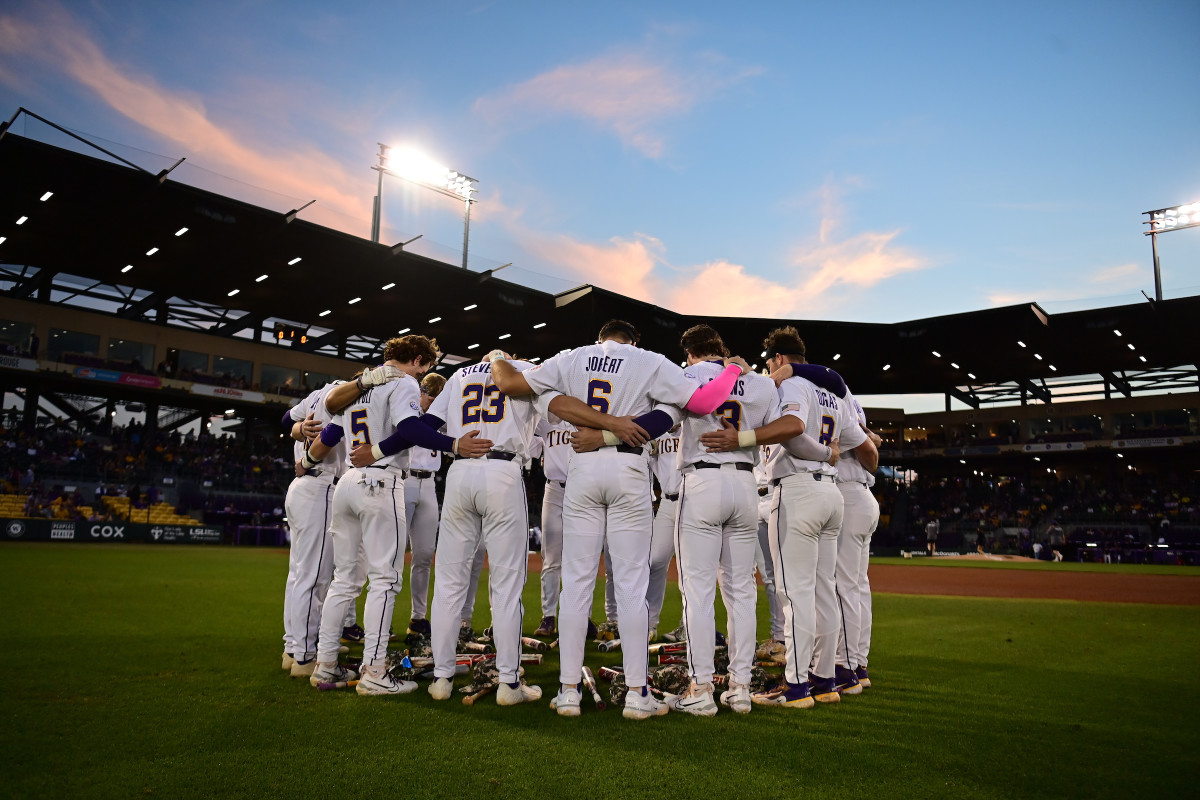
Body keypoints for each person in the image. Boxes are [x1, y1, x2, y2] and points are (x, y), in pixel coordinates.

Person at [491, 319, 742, 720]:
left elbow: (512, 385)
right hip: (629, 471)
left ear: (600, 338)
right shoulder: (650, 361)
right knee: (630, 585)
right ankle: (637, 694)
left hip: (582, 471)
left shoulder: (573, 357)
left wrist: (499, 357)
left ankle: (569, 691)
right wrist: (732, 369)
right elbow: (703, 403)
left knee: (576, 582)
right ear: (633, 339)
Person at [303, 335, 489, 696]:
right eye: (427, 366)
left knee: (344, 580)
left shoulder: (359, 383)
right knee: (385, 580)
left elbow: (330, 428)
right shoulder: (403, 382)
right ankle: (374, 671)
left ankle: (325, 666)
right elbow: (409, 429)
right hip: (380, 481)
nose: (425, 374)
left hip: (347, 482)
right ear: (418, 359)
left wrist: (306, 461)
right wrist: (453, 445)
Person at [704, 326, 875, 709]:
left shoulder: (792, 386)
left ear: (779, 360)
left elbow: (794, 429)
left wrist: (744, 439)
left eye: (769, 362)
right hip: (833, 494)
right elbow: (865, 449)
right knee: (824, 591)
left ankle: (796, 686)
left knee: (794, 595)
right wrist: (829, 454)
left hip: (798, 491)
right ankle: (826, 678)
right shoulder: (833, 393)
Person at [279, 380, 345, 677]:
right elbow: (332, 434)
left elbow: (285, 420)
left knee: (299, 574)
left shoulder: (318, 393)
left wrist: (297, 429)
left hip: (302, 486)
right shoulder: (346, 392)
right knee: (315, 576)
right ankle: (304, 657)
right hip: (319, 484)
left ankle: (292, 647)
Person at [402, 372, 447, 637]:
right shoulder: (407, 407)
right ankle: (368, 621)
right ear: (422, 392)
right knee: (392, 556)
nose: (432, 402)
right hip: (405, 480)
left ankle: (417, 618)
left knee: (424, 555)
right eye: (430, 396)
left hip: (429, 483)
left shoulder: (444, 413)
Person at [531, 410, 575, 636]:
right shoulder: (548, 418)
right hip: (554, 489)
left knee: (579, 560)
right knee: (550, 559)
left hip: (581, 491)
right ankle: (548, 616)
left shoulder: (586, 414)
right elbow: (524, 418)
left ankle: (581, 617)